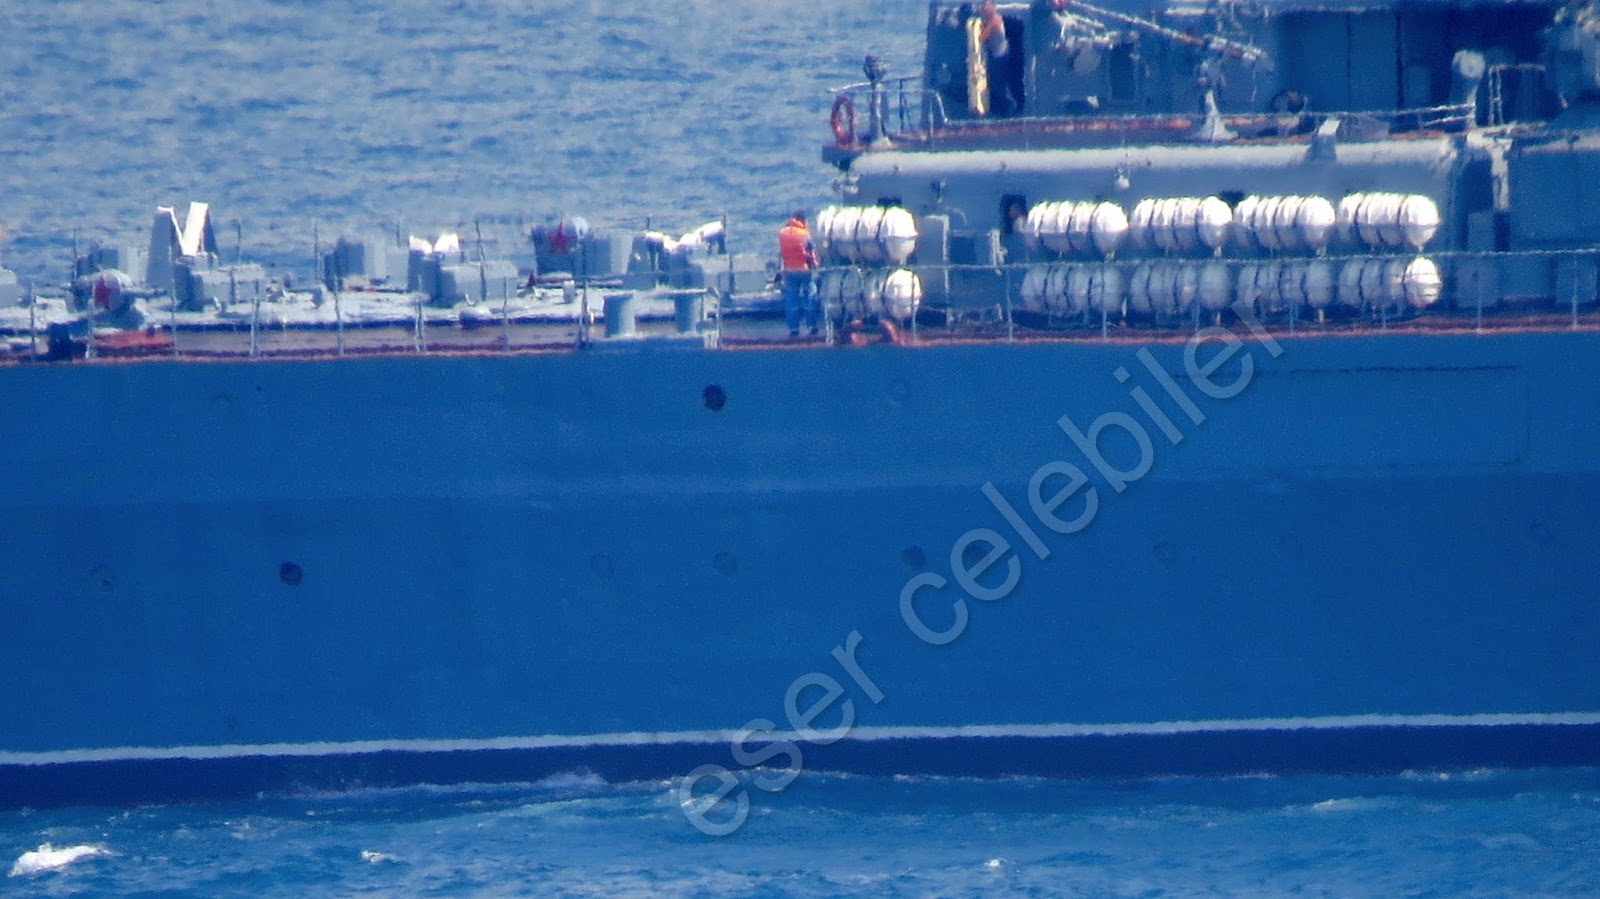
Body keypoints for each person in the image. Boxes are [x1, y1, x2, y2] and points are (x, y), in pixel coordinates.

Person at [777, 209, 820, 337]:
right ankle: (812, 327)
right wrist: (815, 264)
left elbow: (781, 252)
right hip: (804, 270)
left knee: (791, 301)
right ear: (803, 220)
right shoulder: (804, 234)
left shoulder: (782, 233)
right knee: (810, 298)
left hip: (789, 271)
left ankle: (793, 329)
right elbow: (811, 251)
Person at [979, 0, 1021, 116]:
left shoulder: (995, 20)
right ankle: (1002, 109)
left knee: (999, 85)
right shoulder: (990, 21)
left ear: (993, 7)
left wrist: (977, 26)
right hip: (998, 56)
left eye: (986, 6)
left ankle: (1010, 108)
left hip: (1000, 57)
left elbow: (982, 37)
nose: (984, 9)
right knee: (997, 84)